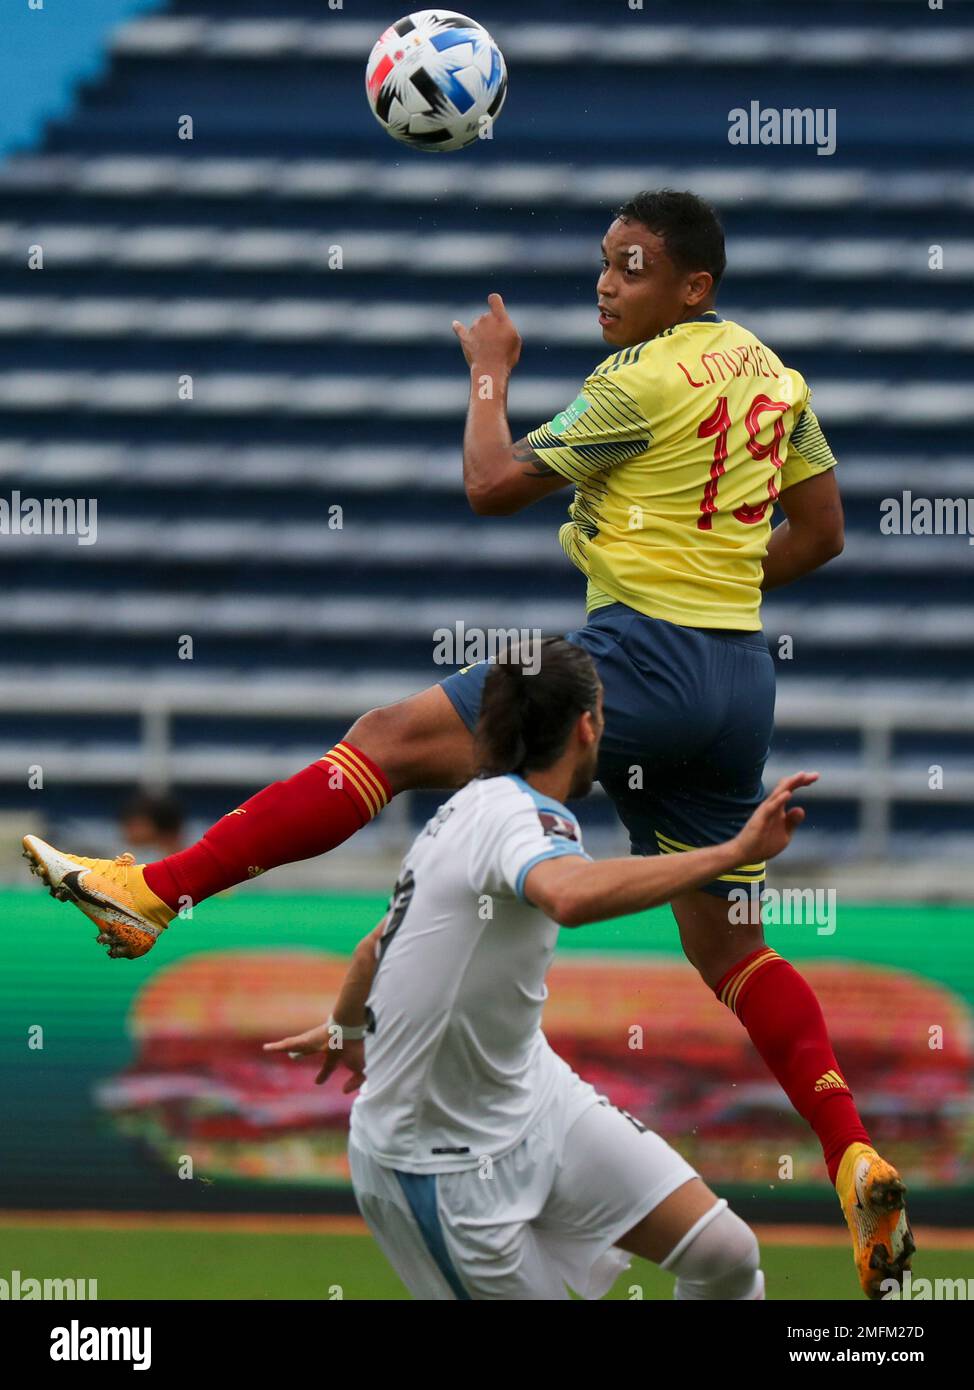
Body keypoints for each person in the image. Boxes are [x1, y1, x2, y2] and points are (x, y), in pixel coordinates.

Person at [22, 190, 912, 1297]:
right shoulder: (778, 379)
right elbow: (822, 534)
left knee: (386, 739)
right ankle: (851, 1152)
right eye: (603, 262)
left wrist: (488, 369)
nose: (606, 283)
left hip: (635, 659)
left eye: (631, 268)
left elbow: (489, 482)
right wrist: (721, 590)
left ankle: (154, 890)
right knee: (733, 953)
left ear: (693, 287)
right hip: (736, 681)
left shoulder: (635, 382)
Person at [266, 641, 811, 1301]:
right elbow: (570, 896)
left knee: (725, 1254)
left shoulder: (471, 810)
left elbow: (372, 948)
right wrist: (733, 852)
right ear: (589, 726)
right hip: (439, 1161)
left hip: (533, 1097)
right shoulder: (520, 816)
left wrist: (345, 1026)